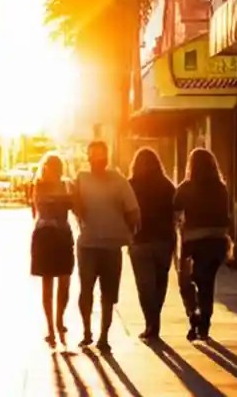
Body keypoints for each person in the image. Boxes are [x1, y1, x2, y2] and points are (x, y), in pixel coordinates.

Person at [71, 140, 140, 352]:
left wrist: (131, 233)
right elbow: (74, 204)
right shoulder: (81, 179)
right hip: (88, 244)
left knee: (108, 294)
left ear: (107, 157)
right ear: (88, 158)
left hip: (112, 245)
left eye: (101, 156)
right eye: (94, 156)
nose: (98, 160)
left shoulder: (118, 180)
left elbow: (133, 210)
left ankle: (104, 336)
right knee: (86, 290)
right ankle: (87, 332)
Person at [175, 148, 231, 342]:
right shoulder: (221, 188)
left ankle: (193, 315)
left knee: (186, 282)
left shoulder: (186, 187)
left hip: (193, 242)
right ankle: (204, 323)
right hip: (217, 241)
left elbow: (175, 210)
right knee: (207, 283)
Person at [127, 147, 177, 341]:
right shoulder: (167, 185)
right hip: (164, 240)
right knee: (160, 282)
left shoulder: (130, 185)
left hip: (139, 240)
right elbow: (176, 211)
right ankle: (154, 320)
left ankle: (151, 322)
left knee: (144, 285)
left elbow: (125, 211)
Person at [31, 152, 76, 346]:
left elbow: (74, 204)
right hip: (44, 235)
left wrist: (66, 199)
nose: (53, 171)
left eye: (57, 167)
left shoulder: (66, 184)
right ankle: (50, 326)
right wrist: (64, 199)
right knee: (47, 282)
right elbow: (42, 205)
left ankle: (60, 319)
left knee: (65, 280)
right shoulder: (39, 185)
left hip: (63, 235)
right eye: (50, 167)